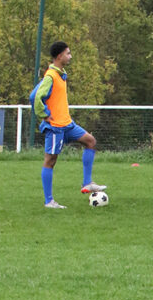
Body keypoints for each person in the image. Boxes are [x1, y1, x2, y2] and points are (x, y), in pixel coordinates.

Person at [33, 41, 105, 209]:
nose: (70, 56)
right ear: (59, 56)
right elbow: (37, 97)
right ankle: (49, 201)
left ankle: (87, 183)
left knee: (90, 141)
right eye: (68, 53)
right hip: (55, 126)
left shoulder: (61, 74)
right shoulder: (51, 76)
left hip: (67, 124)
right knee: (50, 160)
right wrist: (44, 115)